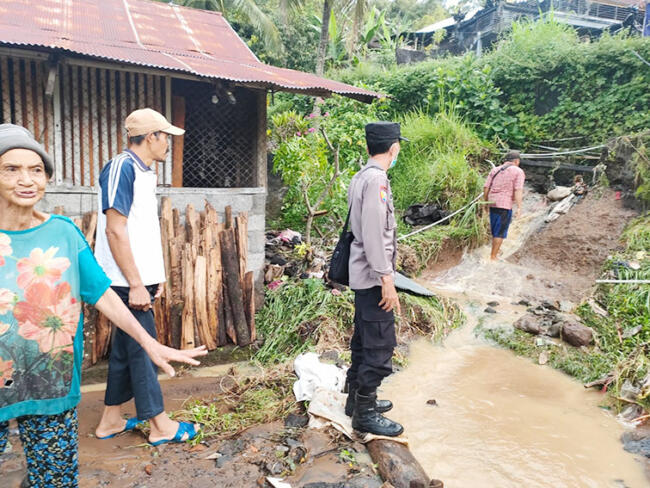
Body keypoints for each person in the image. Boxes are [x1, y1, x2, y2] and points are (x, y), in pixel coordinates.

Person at [0, 124, 207, 487]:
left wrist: (150, 342)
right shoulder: (121, 168)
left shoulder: (63, 232)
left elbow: (102, 294)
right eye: (11, 169)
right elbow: (116, 228)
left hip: (53, 390)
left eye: (36, 170)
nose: (27, 180)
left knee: (56, 481)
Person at [92, 108, 200, 446]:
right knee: (143, 349)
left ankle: (110, 420)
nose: (168, 143)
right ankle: (160, 425)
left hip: (139, 278)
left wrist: (156, 276)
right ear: (151, 137)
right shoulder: (122, 167)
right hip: (125, 282)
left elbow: (141, 231)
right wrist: (137, 283)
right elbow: (114, 230)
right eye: (165, 136)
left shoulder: (143, 172)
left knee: (127, 350)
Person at [344, 122, 406, 437]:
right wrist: (387, 279)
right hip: (372, 277)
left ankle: (355, 400)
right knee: (380, 346)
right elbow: (372, 232)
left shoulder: (361, 176)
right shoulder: (377, 180)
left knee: (363, 339)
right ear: (392, 148)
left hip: (362, 274)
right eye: (398, 147)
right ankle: (364, 413)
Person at [483, 150, 525, 261]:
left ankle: (495, 250)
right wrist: (519, 207)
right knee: (500, 232)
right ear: (516, 161)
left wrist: (486, 202)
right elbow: (518, 190)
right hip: (504, 205)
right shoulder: (518, 171)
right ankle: (493, 257)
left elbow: (486, 187)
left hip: (492, 203)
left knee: (495, 229)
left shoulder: (495, 169)